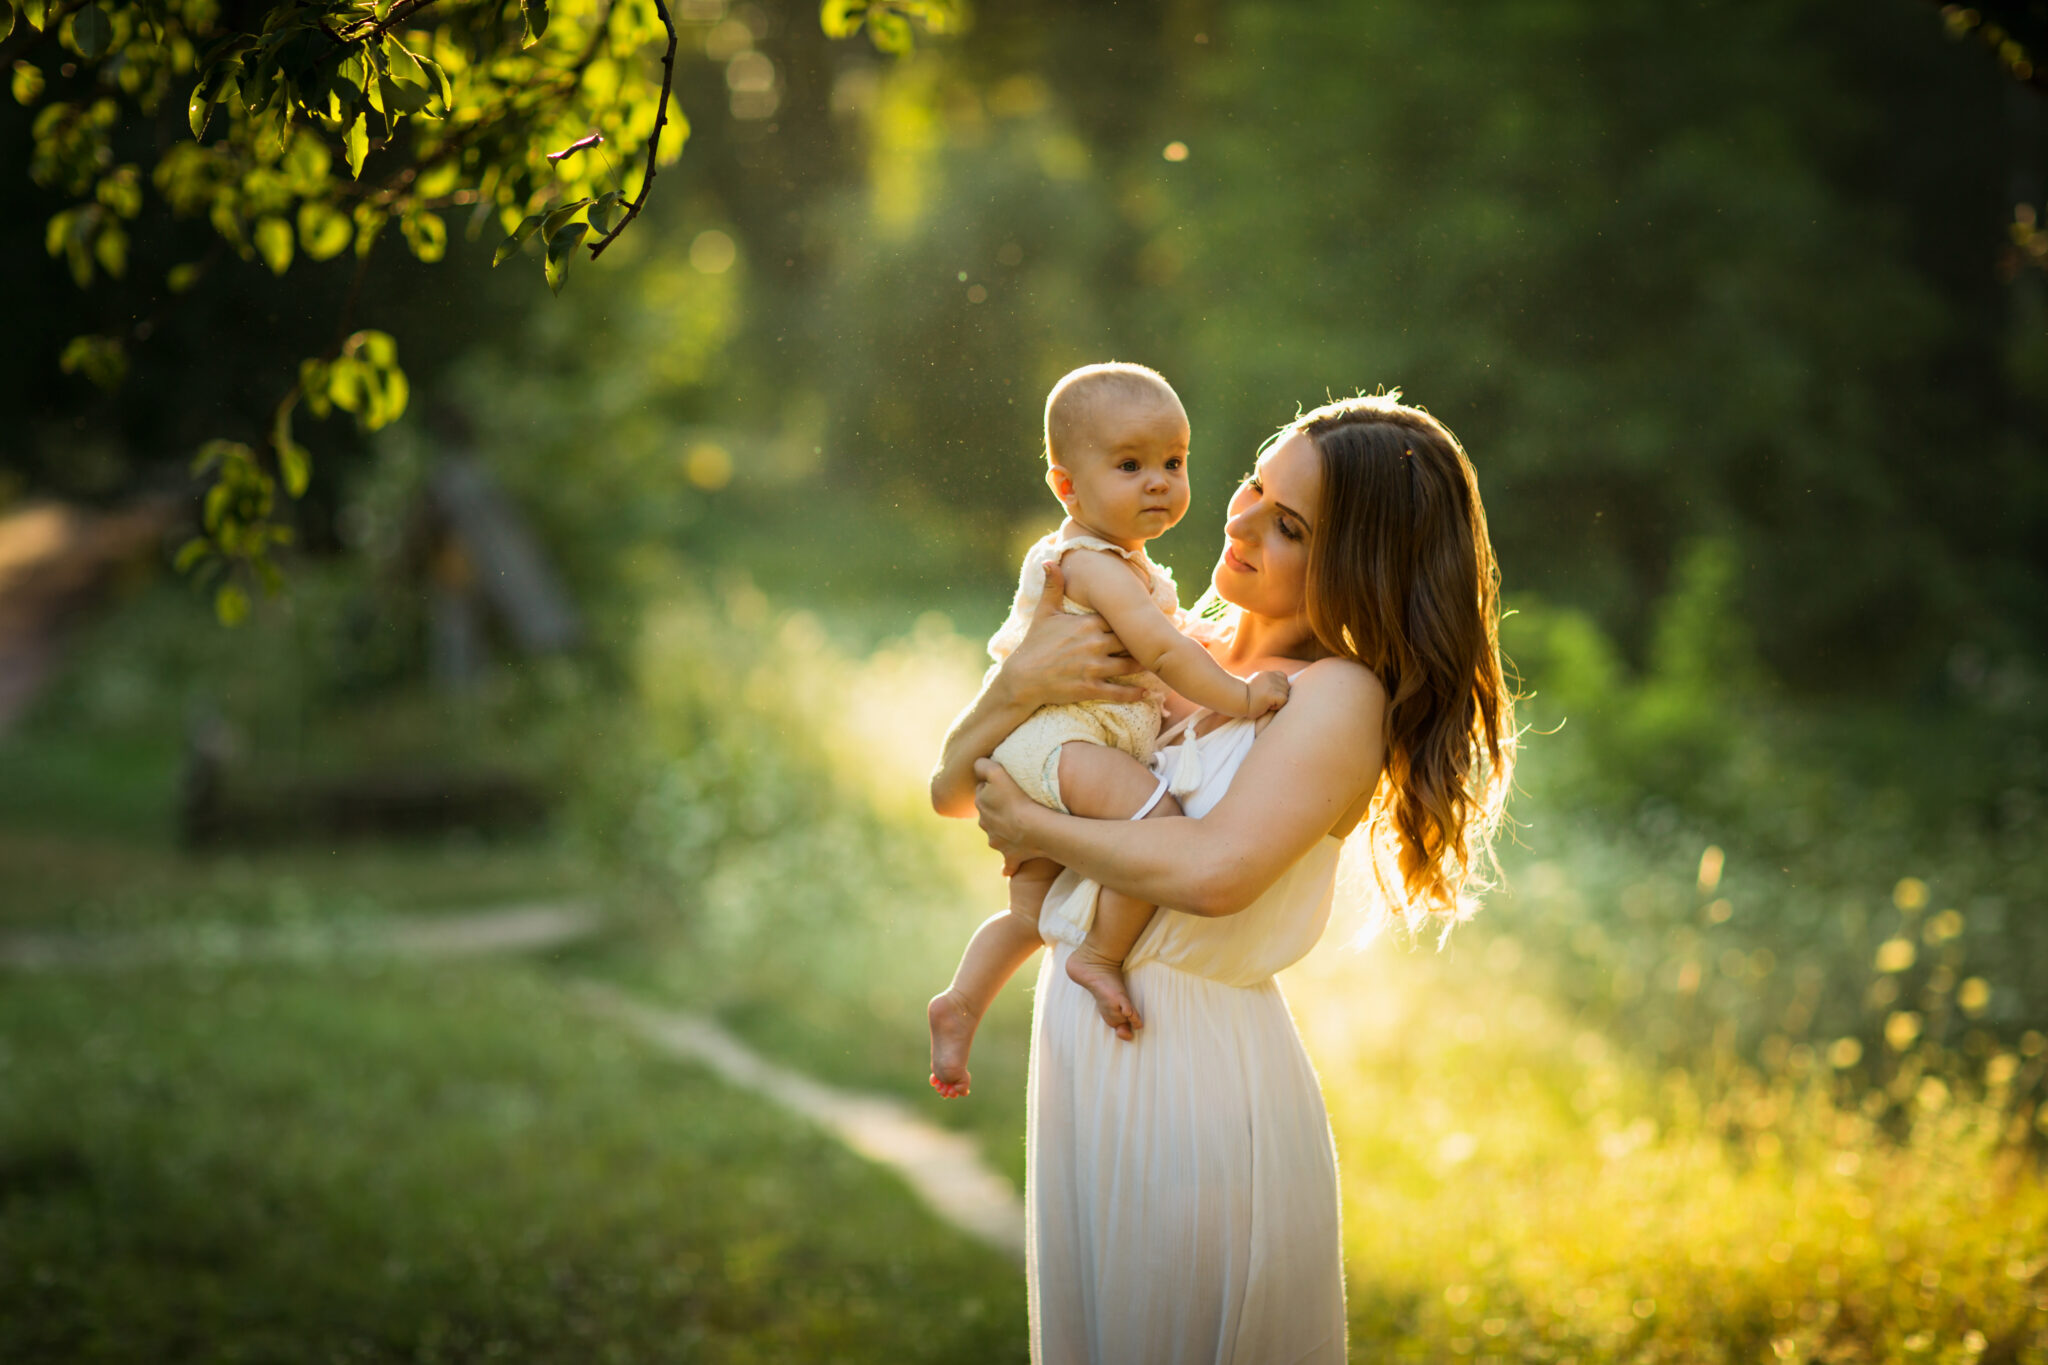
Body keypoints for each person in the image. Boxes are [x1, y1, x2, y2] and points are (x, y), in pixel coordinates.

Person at [930, 392, 1517, 1363]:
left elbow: (1212, 874)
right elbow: (956, 790)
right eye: (1252, 482)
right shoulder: (1168, 651)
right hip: (1079, 1047)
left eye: (1287, 526)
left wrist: (1034, 824)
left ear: (1356, 567)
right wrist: (1016, 685)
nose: (1238, 518)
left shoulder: (1335, 696)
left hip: (1193, 1070)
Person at [927, 362, 1291, 1099]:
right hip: (1062, 744)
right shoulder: (1088, 565)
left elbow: (1170, 633)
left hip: (1052, 747)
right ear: (1068, 487)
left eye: (1173, 462)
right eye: (1130, 465)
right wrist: (1243, 696)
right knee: (1157, 820)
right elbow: (1161, 650)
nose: (1159, 480)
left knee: (1029, 914)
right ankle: (1099, 952)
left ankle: (961, 1001)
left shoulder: (1130, 568)